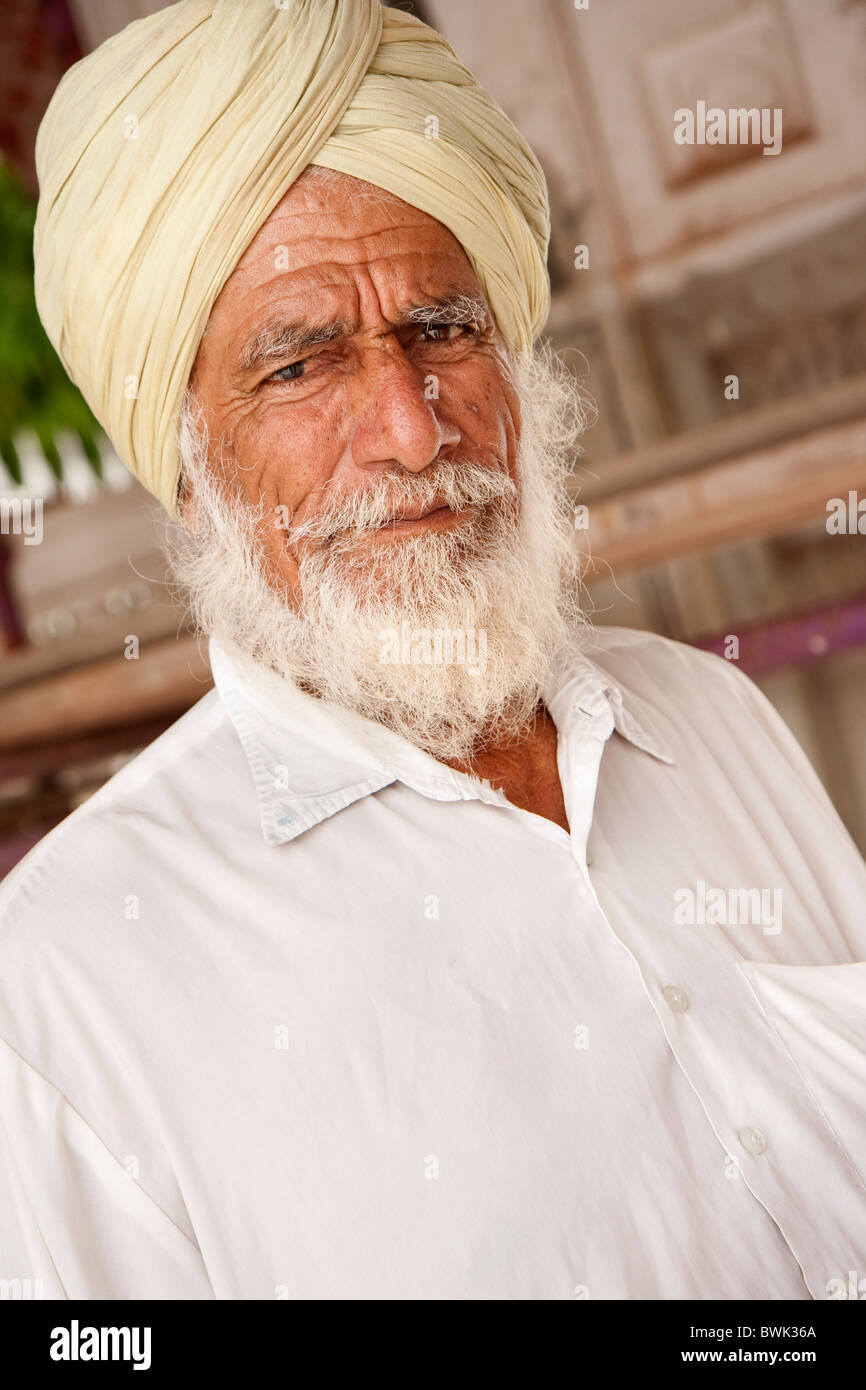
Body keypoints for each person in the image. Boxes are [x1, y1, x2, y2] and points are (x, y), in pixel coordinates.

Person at [0, 0, 864, 1300]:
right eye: (300, 368)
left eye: (443, 330)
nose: (410, 427)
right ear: (187, 461)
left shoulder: (709, 715)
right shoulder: (61, 993)